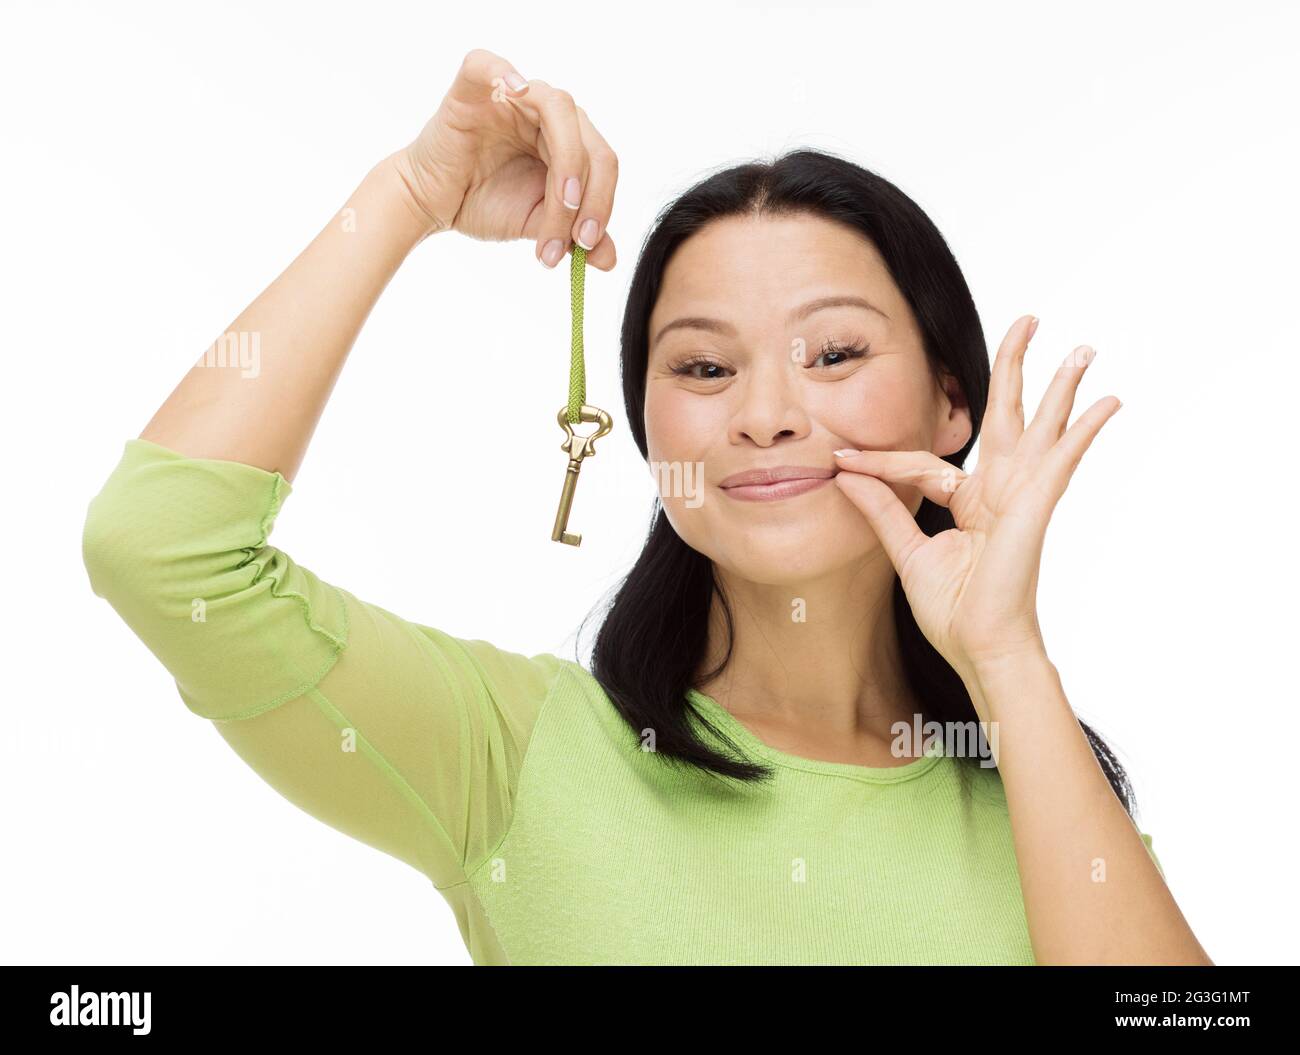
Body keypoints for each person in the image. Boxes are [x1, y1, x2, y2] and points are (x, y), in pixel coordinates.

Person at [81, 48, 1212, 966]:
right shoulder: (514, 754)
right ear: (643, 430)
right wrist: (411, 194)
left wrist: (1006, 657)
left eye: (832, 352)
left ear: (949, 400)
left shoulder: (1044, 808)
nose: (764, 415)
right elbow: (162, 549)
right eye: (704, 370)